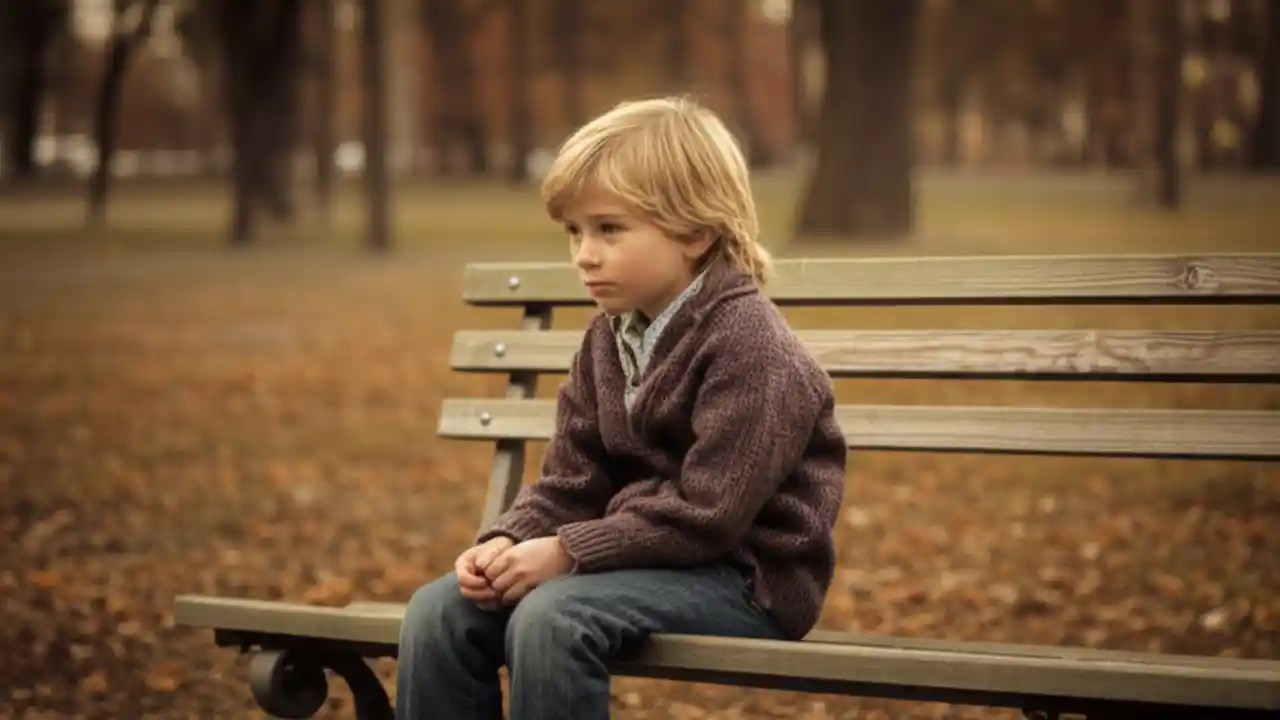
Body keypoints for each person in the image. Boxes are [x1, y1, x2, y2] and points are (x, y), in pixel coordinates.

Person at [396, 96, 847, 720]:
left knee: (553, 618)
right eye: (575, 232)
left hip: (747, 579)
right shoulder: (608, 336)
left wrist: (567, 553)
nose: (585, 254)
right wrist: (508, 541)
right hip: (635, 560)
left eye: (609, 229)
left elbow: (707, 514)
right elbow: (571, 482)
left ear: (695, 231)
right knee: (440, 612)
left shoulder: (752, 346)